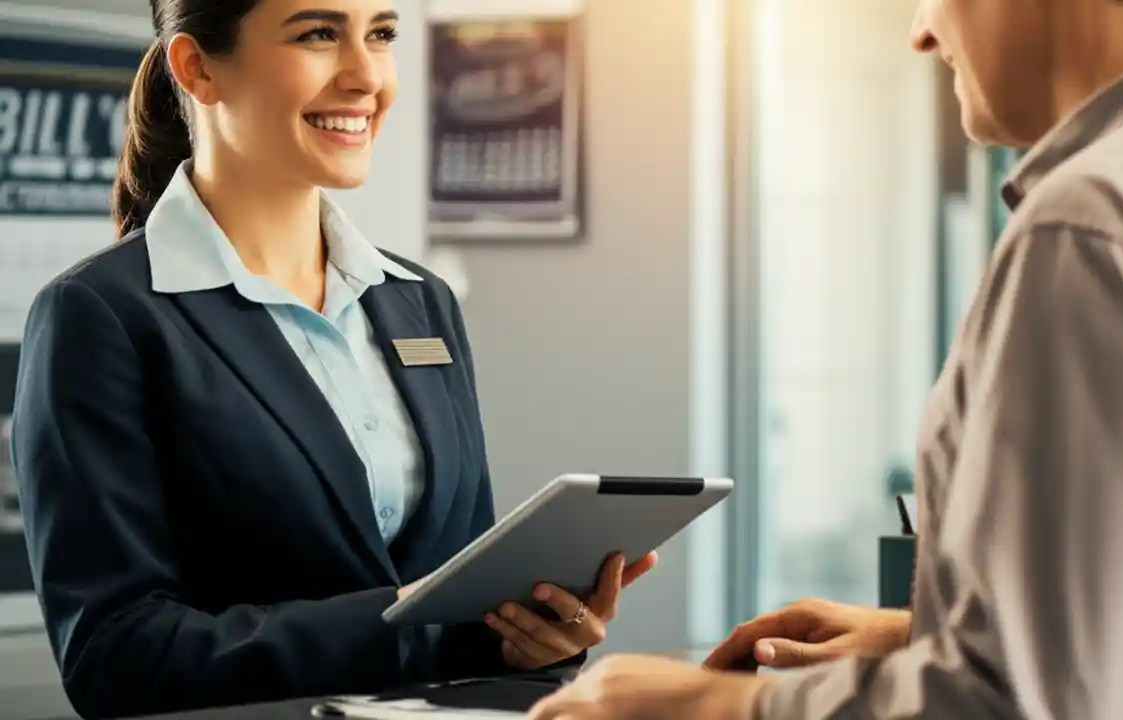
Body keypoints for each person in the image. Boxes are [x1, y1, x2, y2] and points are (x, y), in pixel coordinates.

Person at [530, 0, 1123, 717]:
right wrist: (919, 639)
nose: (921, 32)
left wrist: (711, 707)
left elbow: (1017, 707)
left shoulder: (1097, 225)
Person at [10, 1, 656, 717]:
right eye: (318, 34)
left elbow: (464, 605)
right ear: (196, 69)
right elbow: (115, 657)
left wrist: (530, 633)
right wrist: (399, 618)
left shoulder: (420, 302)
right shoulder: (101, 316)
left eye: (379, 35)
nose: (365, 77)